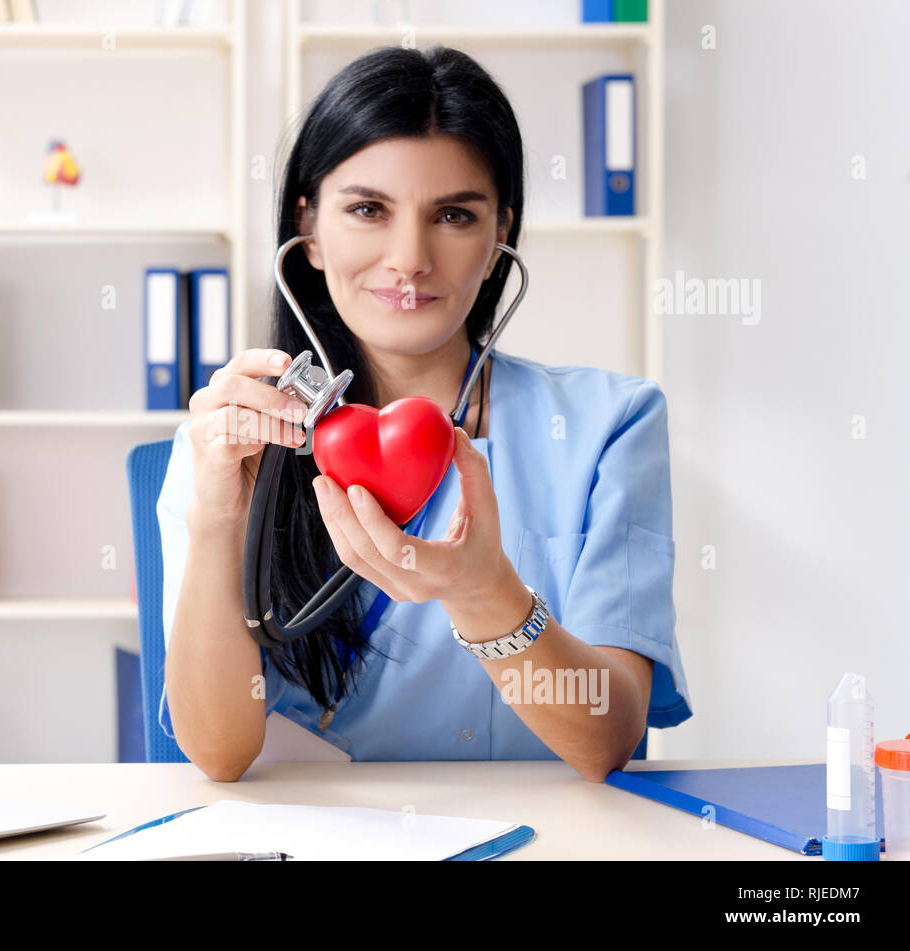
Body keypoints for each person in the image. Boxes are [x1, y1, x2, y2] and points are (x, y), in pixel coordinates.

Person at [156, 45, 691, 783]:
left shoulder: (610, 424)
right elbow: (219, 751)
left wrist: (484, 591)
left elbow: (606, 739)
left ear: (501, 233)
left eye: (453, 215)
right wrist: (219, 517)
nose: (409, 258)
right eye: (368, 210)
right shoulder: (230, 441)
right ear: (308, 229)